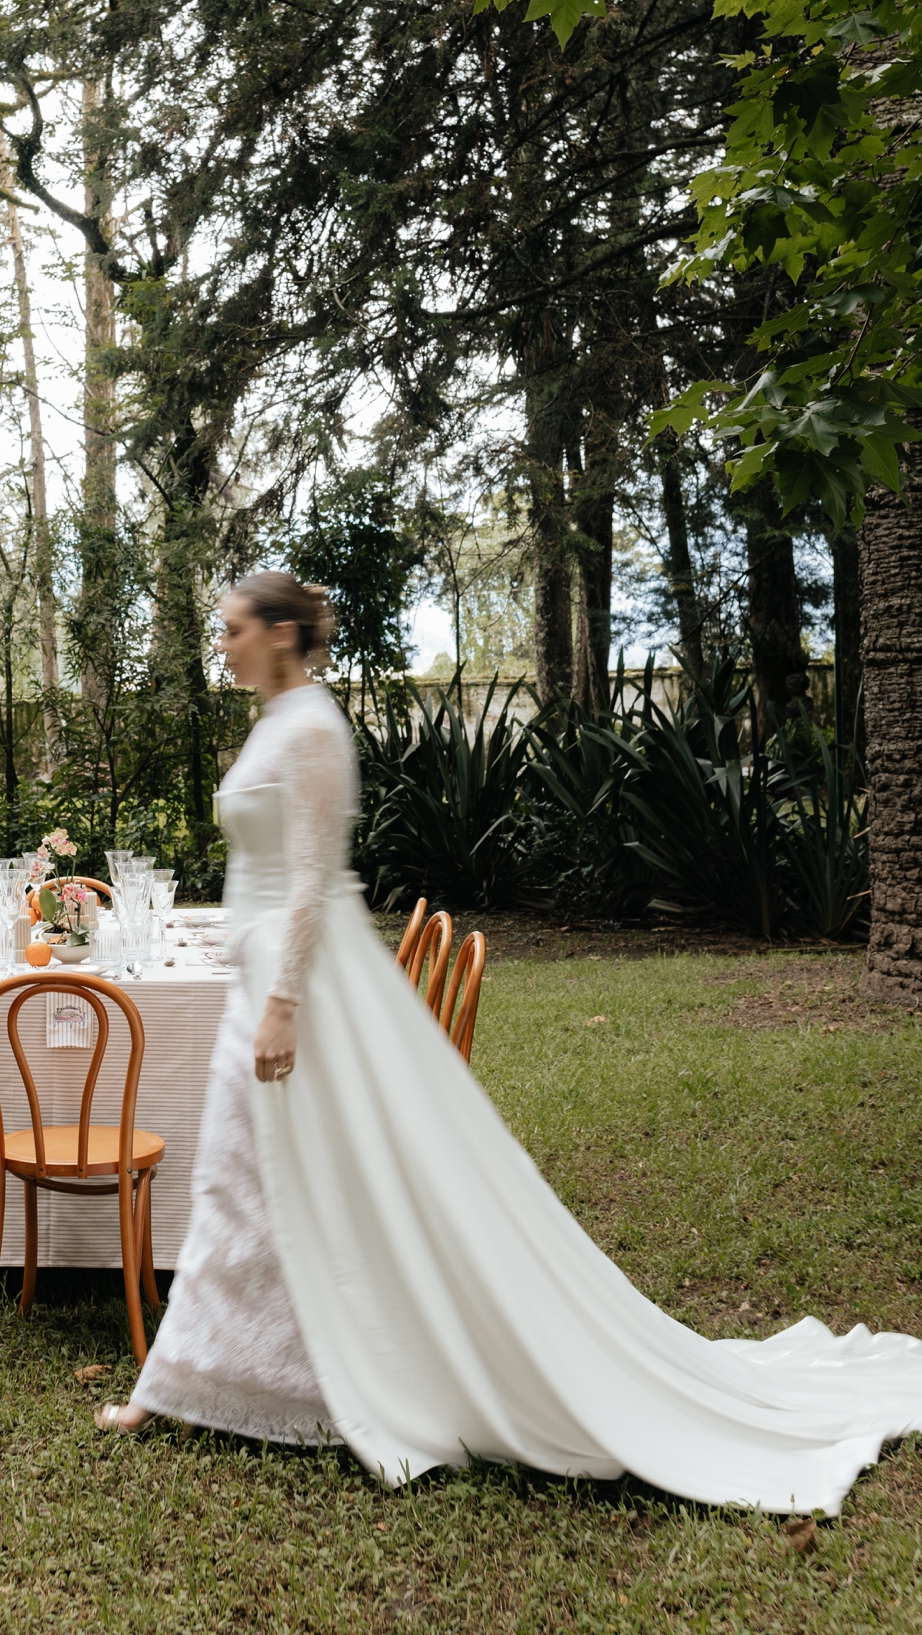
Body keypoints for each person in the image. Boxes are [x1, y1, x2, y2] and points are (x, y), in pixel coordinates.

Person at [96, 571, 922, 1515]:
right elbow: (261, 864)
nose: (224, 643)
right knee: (243, 1189)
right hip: (260, 982)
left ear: (282, 634)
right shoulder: (273, 719)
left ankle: (272, 1381)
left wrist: (283, 1001)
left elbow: (316, 878)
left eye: (236, 628)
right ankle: (205, 1386)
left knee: (284, 1184)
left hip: (307, 993)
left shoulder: (316, 728)